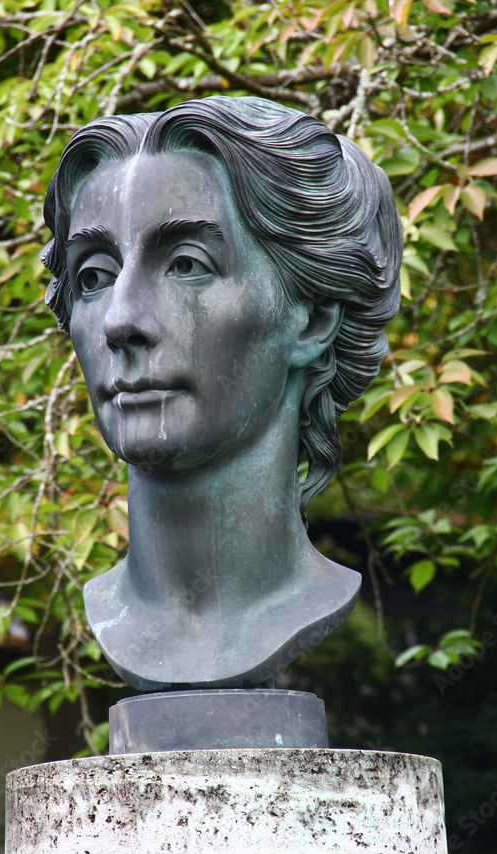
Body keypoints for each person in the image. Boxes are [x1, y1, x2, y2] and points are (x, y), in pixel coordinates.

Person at [41, 96, 402, 691]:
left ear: (311, 319)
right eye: (94, 277)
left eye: (187, 265)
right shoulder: (104, 616)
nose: (121, 321)